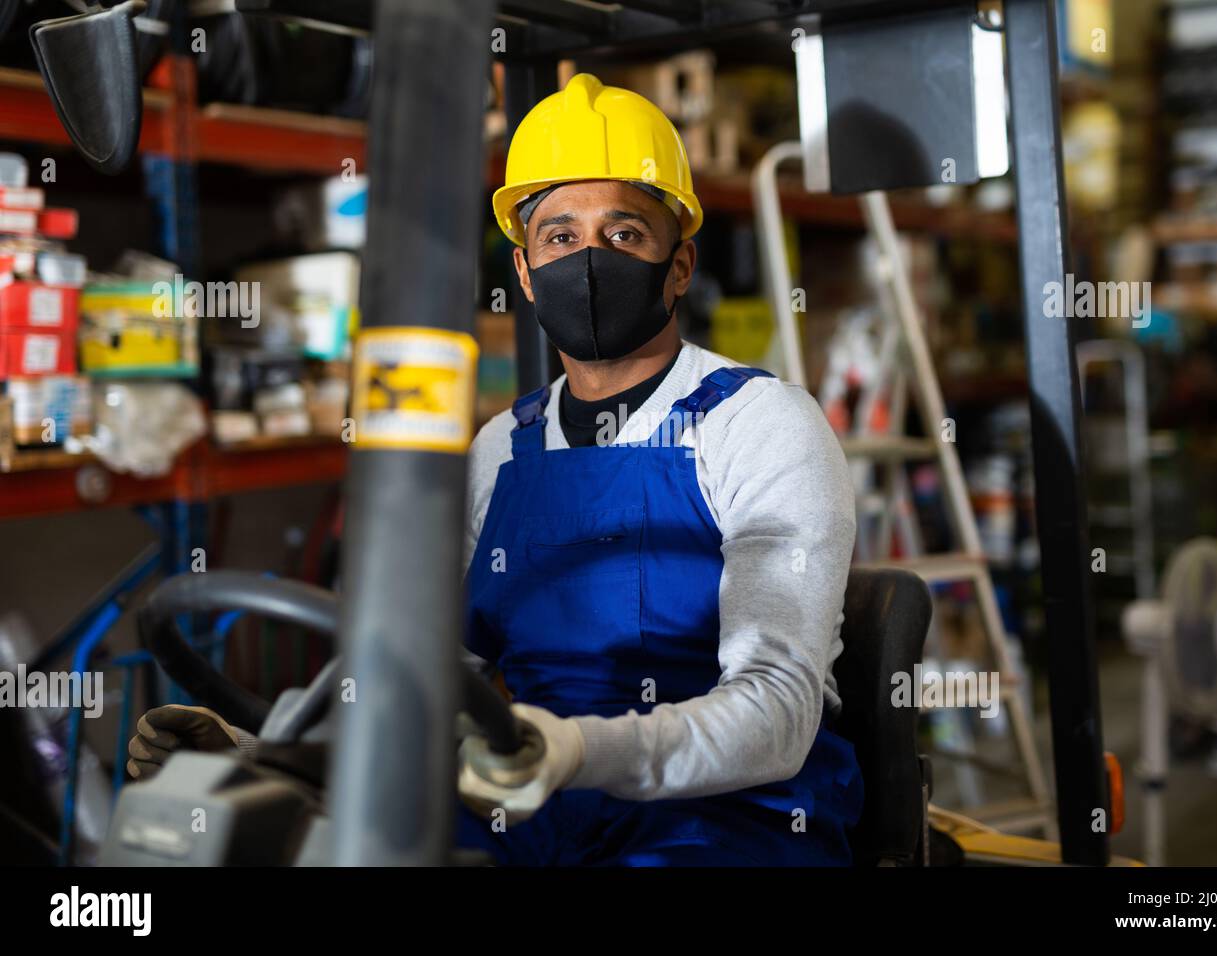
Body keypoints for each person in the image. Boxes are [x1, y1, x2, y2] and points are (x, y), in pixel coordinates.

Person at [128, 73, 863, 867]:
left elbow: (777, 714)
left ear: (680, 264)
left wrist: (579, 750)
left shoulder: (756, 423)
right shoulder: (503, 448)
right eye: (560, 237)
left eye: (623, 234)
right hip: (536, 800)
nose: (589, 259)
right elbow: (426, 673)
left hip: (728, 820)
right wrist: (265, 752)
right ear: (525, 271)